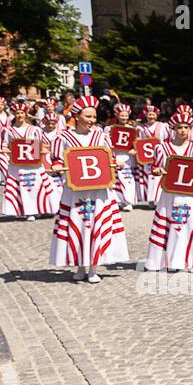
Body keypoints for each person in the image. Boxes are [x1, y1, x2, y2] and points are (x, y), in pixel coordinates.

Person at [48, 96, 129, 284]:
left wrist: (116, 164)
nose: (92, 120)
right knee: (78, 223)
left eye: (94, 117)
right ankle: (80, 266)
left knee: (96, 224)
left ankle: (93, 267)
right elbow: (56, 159)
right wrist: (57, 166)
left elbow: (109, 157)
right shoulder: (63, 137)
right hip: (75, 189)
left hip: (98, 189)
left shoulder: (100, 135)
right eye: (88, 116)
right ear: (77, 116)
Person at [143, 111, 193, 272]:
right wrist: (157, 171)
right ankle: (169, 261)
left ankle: (192, 261)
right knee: (169, 226)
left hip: (189, 195)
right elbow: (155, 167)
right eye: (180, 127)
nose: (183, 131)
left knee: (190, 225)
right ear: (173, 128)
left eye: (186, 127)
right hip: (170, 193)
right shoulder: (162, 148)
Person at [1, 100, 58, 219]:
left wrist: (42, 152)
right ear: (14, 115)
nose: (19, 115)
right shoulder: (8, 130)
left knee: (37, 185)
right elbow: (4, 146)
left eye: (22, 112)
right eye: (17, 113)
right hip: (17, 165)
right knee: (21, 186)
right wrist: (12, 153)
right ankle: (26, 211)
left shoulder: (35, 129)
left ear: (25, 114)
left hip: (34, 164)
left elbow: (41, 146)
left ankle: (41, 208)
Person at [135, 104, 170, 205]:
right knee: (149, 177)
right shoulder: (141, 128)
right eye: (149, 114)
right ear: (145, 115)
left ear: (157, 115)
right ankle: (150, 199)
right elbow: (138, 141)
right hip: (146, 156)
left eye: (153, 114)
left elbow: (167, 140)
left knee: (160, 175)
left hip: (161, 154)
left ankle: (160, 199)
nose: (151, 116)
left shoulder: (163, 126)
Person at [107, 102, 137, 211]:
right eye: (121, 115)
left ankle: (128, 202)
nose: (124, 117)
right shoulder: (110, 128)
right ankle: (117, 201)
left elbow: (136, 144)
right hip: (116, 156)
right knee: (116, 179)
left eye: (125, 115)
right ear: (117, 115)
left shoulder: (132, 129)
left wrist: (134, 150)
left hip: (128, 158)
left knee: (128, 179)